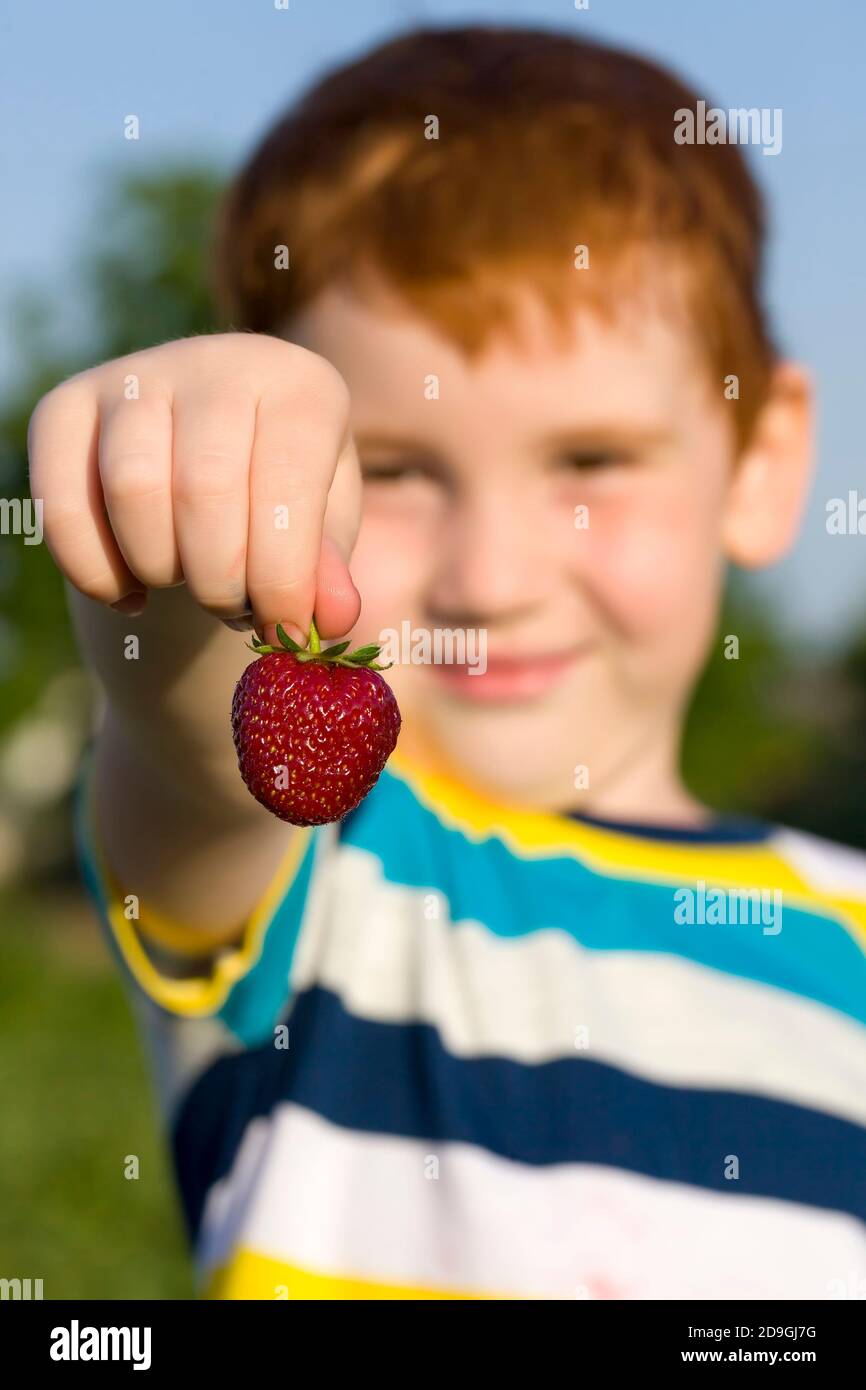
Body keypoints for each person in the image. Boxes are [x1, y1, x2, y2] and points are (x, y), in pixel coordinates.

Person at [28, 26, 866, 1299]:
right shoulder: (333, 881)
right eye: (395, 471)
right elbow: (192, 734)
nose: (493, 578)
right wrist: (196, 499)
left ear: (758, 464)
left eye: (590, 463)